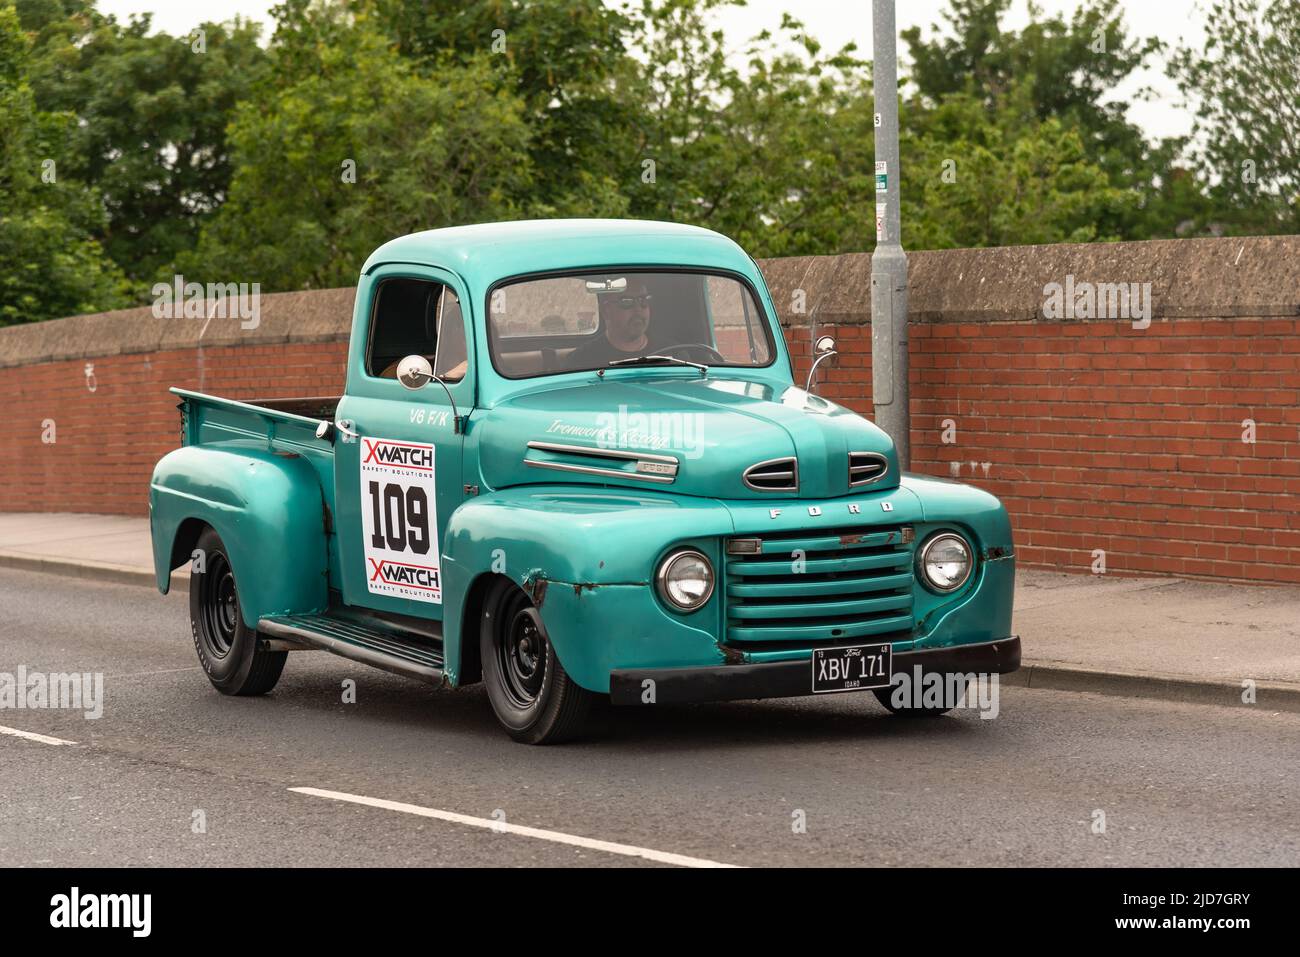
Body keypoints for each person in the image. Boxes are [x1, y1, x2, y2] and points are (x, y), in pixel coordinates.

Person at [566, 278, 655, 370]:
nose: (638, 310)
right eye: (627, 302)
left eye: (643, 300)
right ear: (606, 310)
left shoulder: (668, 352)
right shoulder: (581, 360)